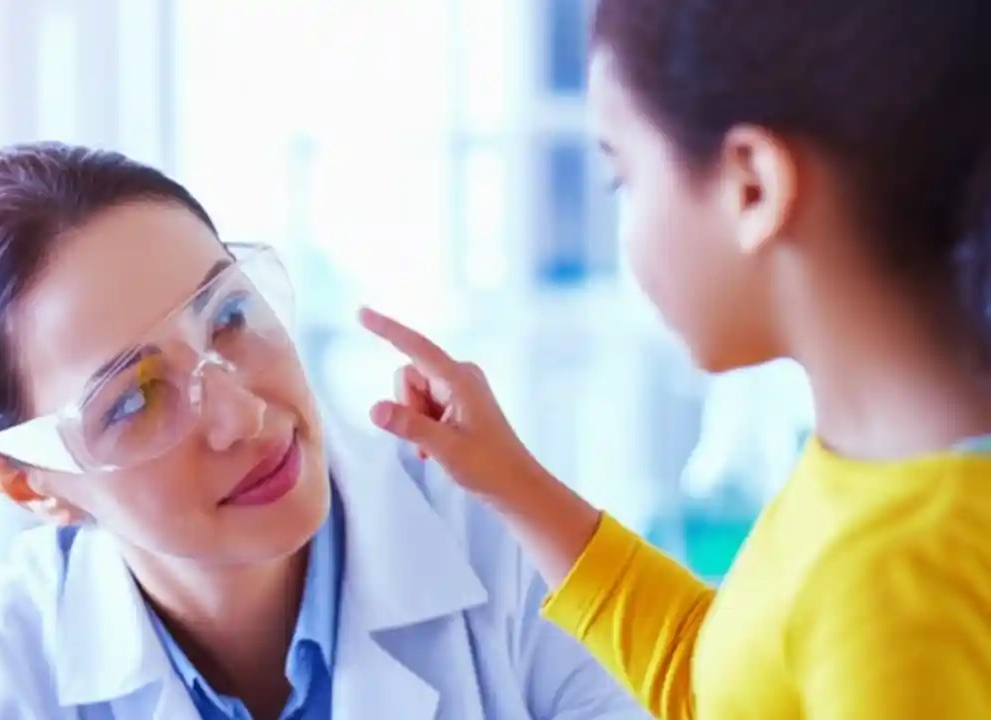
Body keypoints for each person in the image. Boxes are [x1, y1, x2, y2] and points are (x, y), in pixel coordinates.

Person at [356, 1, 991, 718]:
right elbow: (720, 684)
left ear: (753, 186)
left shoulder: (899, 582)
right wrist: (511, 481)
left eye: (623, 178)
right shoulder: (877, 476)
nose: (624, 230)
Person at [0, 141, 644, 720]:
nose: (244, 416)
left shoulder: (509, 554)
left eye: (229, 317)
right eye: (132, 400)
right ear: (30, 486)